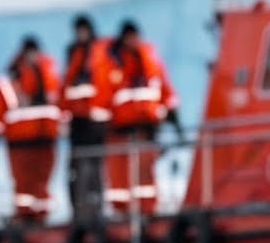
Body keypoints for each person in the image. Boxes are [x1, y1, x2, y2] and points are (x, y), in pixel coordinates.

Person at [92, 20, 182, 215]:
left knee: (145, 170)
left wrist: (172, 113)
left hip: (146, 124)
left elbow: (163, 85)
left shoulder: (148, 58)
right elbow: (103, 92)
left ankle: (147, 209)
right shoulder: (111, 61)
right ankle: (123, 211)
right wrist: (102, 121)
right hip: (119, 127)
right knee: (120, 172)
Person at [0, 36, 61, 223]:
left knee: (42, 180)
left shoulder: (50, 75)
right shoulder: (10, 78)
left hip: (45, 139)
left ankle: (42, 217)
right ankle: (24, 216)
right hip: (20, 141)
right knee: (23, 182)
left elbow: (61, 104)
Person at [61, 14, 108, 220]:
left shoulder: (99, 53)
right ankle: (78, 210)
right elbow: (65, 89)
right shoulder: (73, 54)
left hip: (95, 123)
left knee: (94, 168)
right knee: (76, 168)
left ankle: (94, 209)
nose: (81, 34)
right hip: (77, 123)